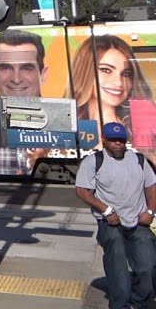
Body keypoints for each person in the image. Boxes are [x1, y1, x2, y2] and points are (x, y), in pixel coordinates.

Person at [74, 122, 156, 309]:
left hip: (139, 222)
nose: (118, 144)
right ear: (104, 140)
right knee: (119, 271)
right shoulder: (93, 161)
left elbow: (151, 186)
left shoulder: (139, 160)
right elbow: (82, 190)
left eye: (121, 140)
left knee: (148, 267)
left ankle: (139, 300)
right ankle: (120, 305)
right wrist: (106, 209)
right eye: (113, 140)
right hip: (110, 224)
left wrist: (150, 211)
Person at [0, 30, 48, 176]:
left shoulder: (63, 122)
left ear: (43, 74)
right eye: (6, 68)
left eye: (27, 68)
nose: (16, 79)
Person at [70, 35, 153, 145]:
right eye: (106, 70)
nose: (119, 82)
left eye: (126, 74)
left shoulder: (145, 126)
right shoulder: (65, 126)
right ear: (84, 71)